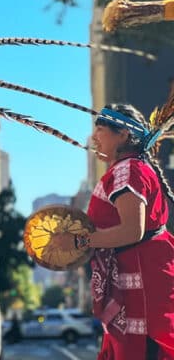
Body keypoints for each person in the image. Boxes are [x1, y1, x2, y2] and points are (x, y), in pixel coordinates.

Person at [49, 103, 174, 359]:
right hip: (143, 276)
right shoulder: (128, 169)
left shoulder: (128, 170)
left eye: (101, 129)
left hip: (142, 281)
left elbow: (132, 230)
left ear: (124, 135)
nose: (95, 137)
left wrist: (77, 241)